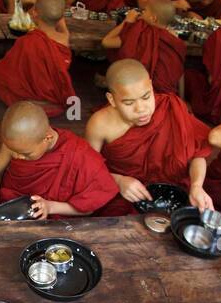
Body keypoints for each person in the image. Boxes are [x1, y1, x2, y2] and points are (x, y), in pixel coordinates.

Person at [87, 60, 213, 215]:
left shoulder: (171, 107)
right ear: (111, 99)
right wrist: (118, 181)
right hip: (123, 193)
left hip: (171, 194)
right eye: (129, 102)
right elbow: (87, 169)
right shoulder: (100, 124)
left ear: (151, 86)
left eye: (146, 97)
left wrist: (196, 186)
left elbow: (197, 154)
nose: (141, 109)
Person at [0, 101, 117, 218]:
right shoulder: (17, 143)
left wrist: (50, 206)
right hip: (11, 208)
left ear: (47, 138)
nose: (18, 157)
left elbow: (88, 208)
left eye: (26, 153)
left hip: (54, 218)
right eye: (15, 152)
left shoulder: (79, 154)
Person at [0, 0, 74, 116]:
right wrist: (57, 13)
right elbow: (62, 25)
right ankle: (42, 103)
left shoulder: (26, 41)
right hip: (52, 96)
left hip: (28, 94)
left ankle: (31, 102)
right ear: (61, 16)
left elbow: (8, 68)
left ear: (34, 13)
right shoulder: (64, 38)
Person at [101, 0, 185, 95]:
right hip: (166, 94)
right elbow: (180, 71)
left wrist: (126, 21)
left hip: (139, 91)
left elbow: (106, 41)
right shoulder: (174, 39)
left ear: (153, 18)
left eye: (144, 10)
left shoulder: (141, 32)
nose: (141, 12)